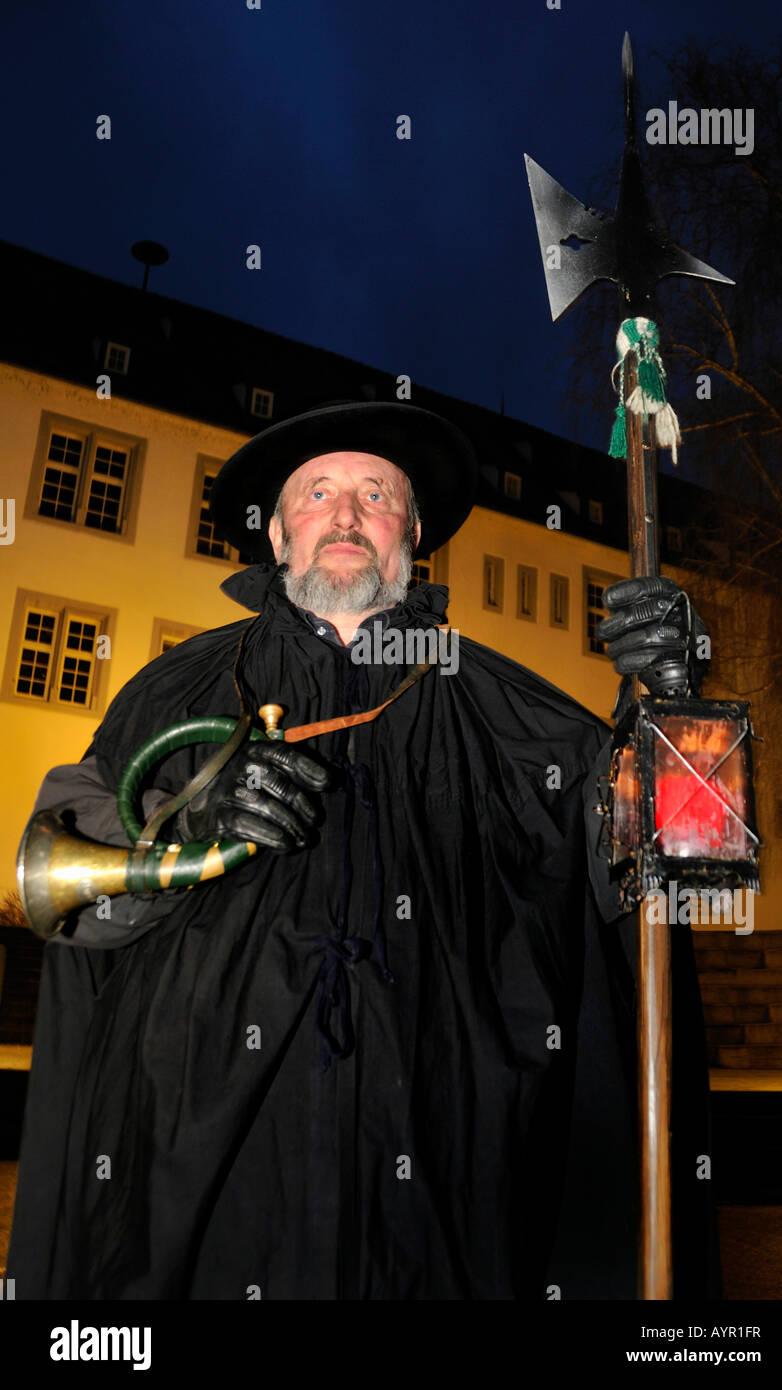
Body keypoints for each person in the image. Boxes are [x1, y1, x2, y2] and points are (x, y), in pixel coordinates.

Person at [8, 400, 719, 1300]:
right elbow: (68, 872)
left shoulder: (510, 712)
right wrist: (187, 817)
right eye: (317, 494)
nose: (345, 515)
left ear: (412, 532)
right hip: (201, 1167)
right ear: (276, 534)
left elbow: (663, 864)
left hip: (443, 1169)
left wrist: (671, 708)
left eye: (375, 494)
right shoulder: (173, 687)